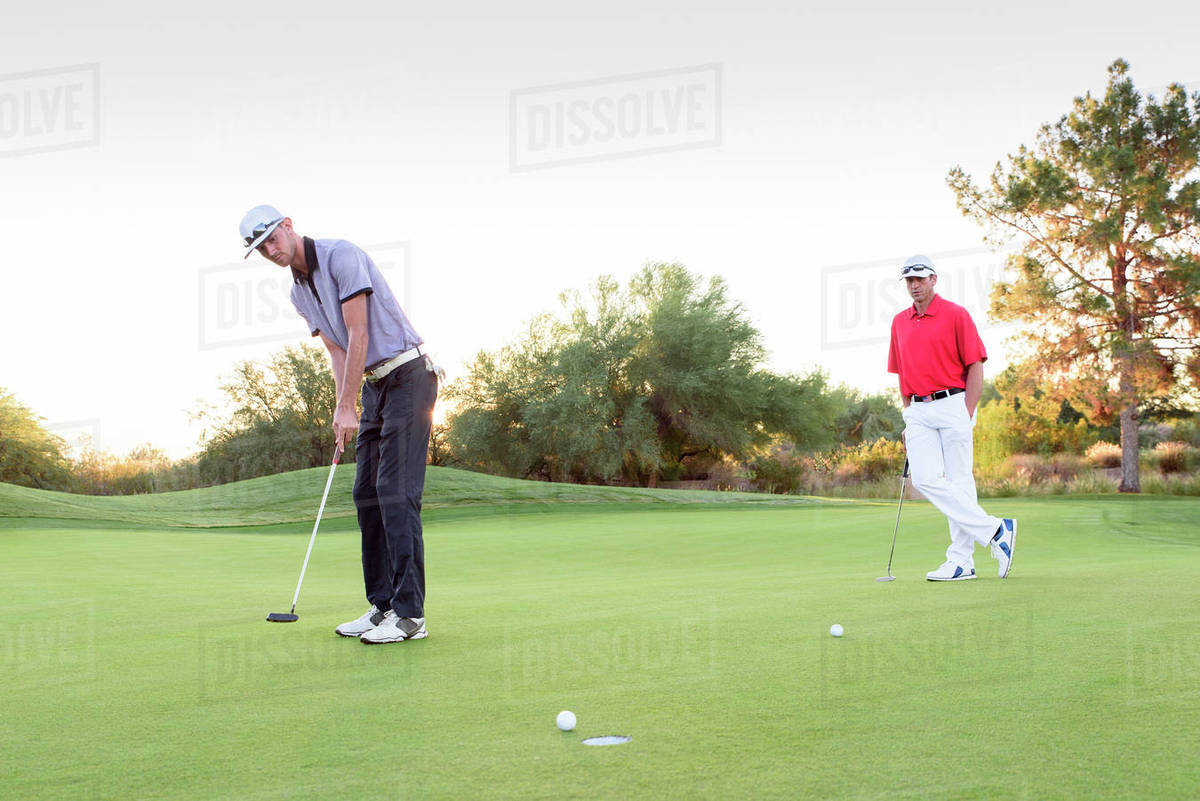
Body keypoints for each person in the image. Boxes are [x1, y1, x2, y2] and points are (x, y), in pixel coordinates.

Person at [240, 204, 440, 641]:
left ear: (288, 226)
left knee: (396, 491)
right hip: (374, 385)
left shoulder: (341, 256)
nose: (271, 251)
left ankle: (410, 616)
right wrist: (341, 408)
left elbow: (359, 333)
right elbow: (338, 350)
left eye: (272, 239)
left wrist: (349, 404)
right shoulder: (298, 293)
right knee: (366, 492)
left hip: (408, 375)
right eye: (261, 249)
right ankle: (383, 606)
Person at [886, 254, 1016, 581]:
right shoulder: (899, 322)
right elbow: (902, 372)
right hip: (918, 409)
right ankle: (996, 530)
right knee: (924, 478)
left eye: (920, 279)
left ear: (933, 279)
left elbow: (975, 364)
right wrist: (908, 414)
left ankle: (961, 561)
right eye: (909, 280)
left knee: (959, 480)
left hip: (953, 403)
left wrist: (967, 410)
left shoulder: (956, 314)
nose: (914, 285)